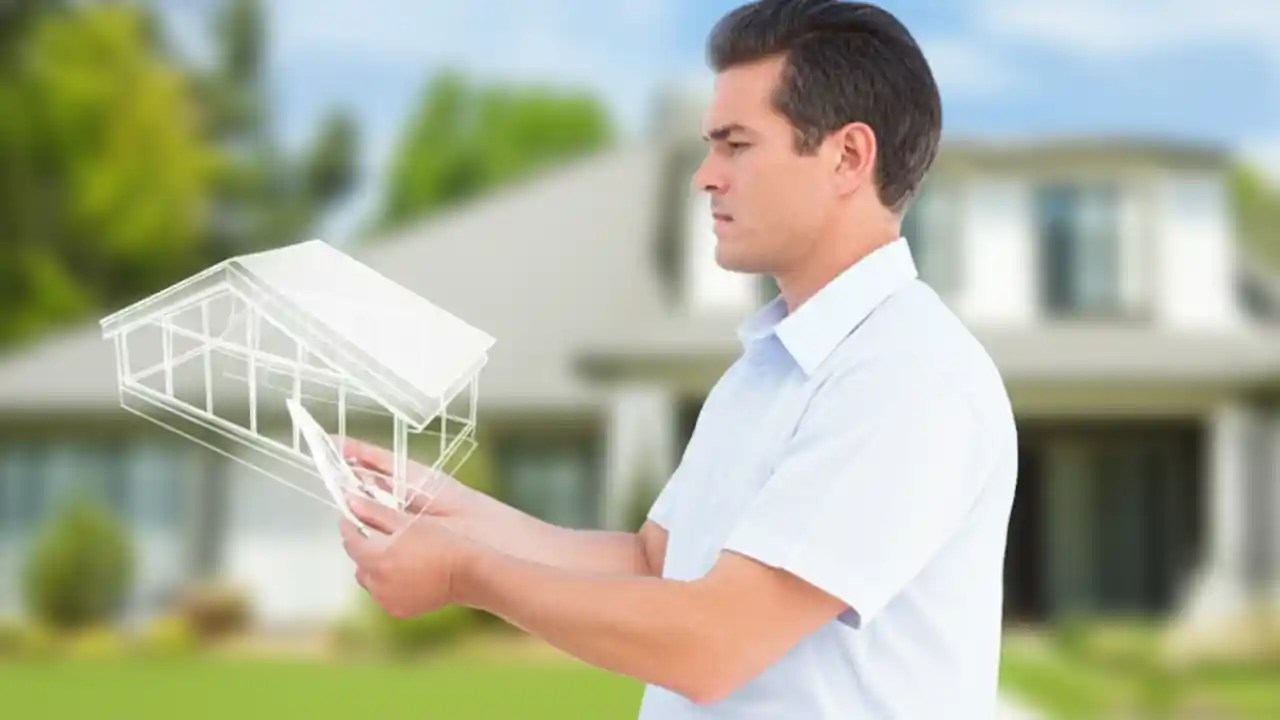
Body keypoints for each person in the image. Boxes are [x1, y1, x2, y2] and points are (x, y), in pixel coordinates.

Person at [338, 1, 1018, 716]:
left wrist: (464, 576)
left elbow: (713, 642)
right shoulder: (768, 369)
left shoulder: (907, 376)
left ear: (847, 156)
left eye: (736, 145)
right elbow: (653, 563)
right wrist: (460, 518)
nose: (706, 177)